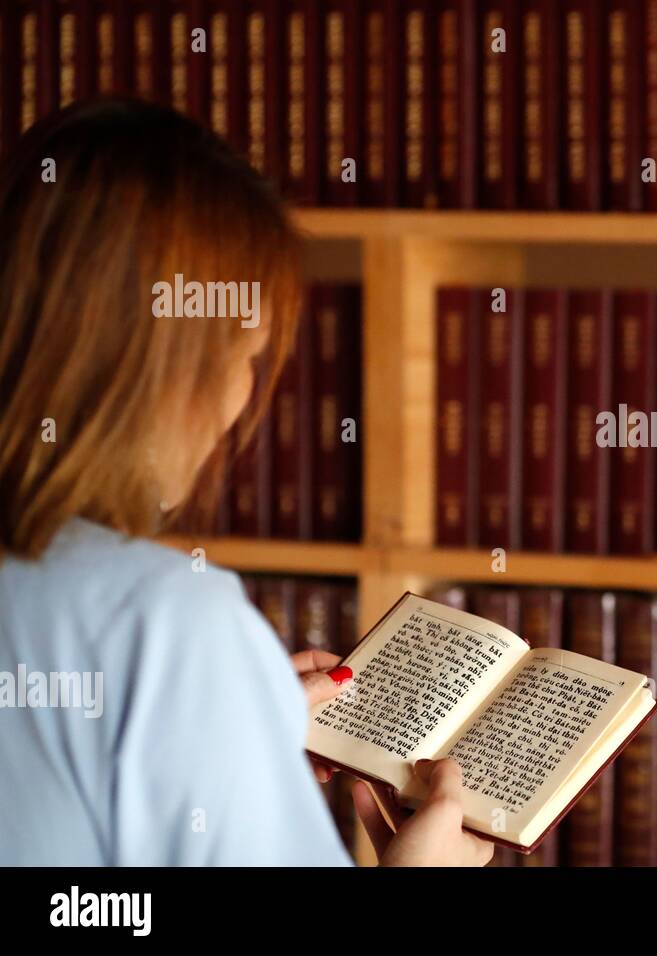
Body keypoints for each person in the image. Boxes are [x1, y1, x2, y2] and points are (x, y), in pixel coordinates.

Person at [0, 98, 492, 867]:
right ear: (165, 366)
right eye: (247, 356)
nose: (239, 406)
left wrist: (225, 733)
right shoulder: (166, 621)